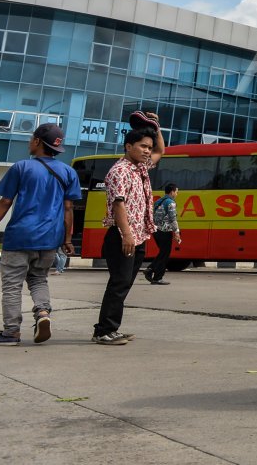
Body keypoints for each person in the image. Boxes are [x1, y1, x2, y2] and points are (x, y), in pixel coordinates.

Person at [0, 124, 79, 346]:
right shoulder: (69, 172)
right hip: (50, 238)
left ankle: (11, 332)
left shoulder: (22, 167)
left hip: (20, 236)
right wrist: (67, 239)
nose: (30, 142)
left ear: (38, 142)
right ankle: (42, 313)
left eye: (31, 138)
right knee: (38, 279)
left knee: (12, 285)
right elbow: (68, 209)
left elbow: (5, 201)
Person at [91, 113, 164, 345]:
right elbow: (118, 204)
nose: (147, 151)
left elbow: (161, 152)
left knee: (124, 284)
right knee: (119, 283)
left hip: (138, 236)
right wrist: (127, 234)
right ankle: (104, 331)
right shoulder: (120, 171)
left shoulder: (140, 168)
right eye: (143, 146)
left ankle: (109, 328)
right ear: (128, 146)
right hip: (123, 236)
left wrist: (157, 127)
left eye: (148, 147)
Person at [144, 183, 181, 285]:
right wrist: (177, 233)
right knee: (165, 255)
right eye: (176, 191)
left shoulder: (159, 201)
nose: (177, 194)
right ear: (172, 191)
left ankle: (151, 270)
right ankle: (157, 277)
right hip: (165, 231)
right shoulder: (171, 203)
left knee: (163, 253)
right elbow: (173, 219)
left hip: (156, 231)